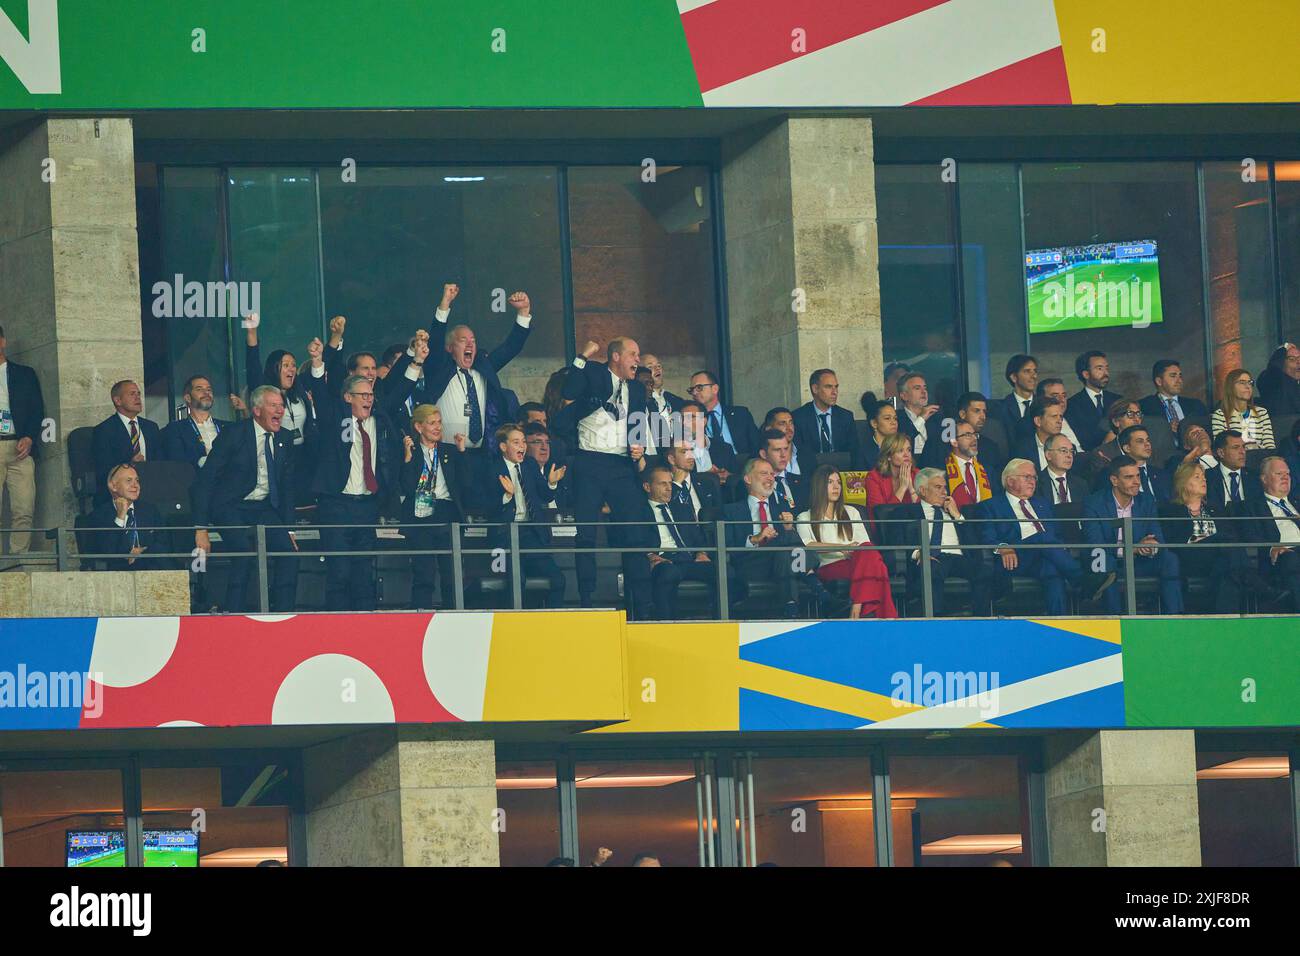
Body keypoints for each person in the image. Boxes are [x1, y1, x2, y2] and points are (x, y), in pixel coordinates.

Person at [192, 386, 299, 612]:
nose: (279, 410)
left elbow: (288, 487)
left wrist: (289, 528)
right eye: (273, 405)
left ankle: (284, 614)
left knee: (289, 554)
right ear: (257, 410)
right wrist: (200, 527)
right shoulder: (234, 434)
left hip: (262, 507)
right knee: (244, 554)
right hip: (229, 505)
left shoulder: (285, 438)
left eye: (281, 405)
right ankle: (235, 613)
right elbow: (206, 480)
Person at [562, 337, 652, 607]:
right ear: (615, 357)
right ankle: (587, 598)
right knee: (586, 532)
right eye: (632, 355)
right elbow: (568, 389)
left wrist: (639, 450)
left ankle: (642, 601)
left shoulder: (636, 389)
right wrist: (583, 356)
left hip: (622, 466)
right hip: (590, 462)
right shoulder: (592, 373)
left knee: (635, 533)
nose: (638, 360)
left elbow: (638, 424)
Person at [312, 373, 400, 611]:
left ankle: (365, 627)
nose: (368, 399)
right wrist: (319, 364)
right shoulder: (336, 419)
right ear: (347, 397)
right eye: (363, 395)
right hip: (336, 506)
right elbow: (320, 397)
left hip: (367, 506)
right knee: (339, 571)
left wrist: (415, 360)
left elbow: (401, 391)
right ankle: (337, 626)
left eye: (371, 395)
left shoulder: (379, 420)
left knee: (364, 571)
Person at [416, 284, 534, 453]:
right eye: (463, 340)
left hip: (481, 453)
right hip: (447, 452)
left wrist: (523, 312)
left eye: (473, 340)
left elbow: (510, 348)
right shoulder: (439, 370)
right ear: (450, 348)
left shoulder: (483, 368)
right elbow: (435, 343)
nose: (470, 343)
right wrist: (445, 304)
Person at [980, 459, 1094, 616]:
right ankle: (1081, 580)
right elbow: (987, 536)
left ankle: (1059, 624)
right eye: (1027, 477)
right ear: (1010, 480)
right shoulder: (991, 506)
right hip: (1014, 558)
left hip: (1044, 558)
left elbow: (1057, 535)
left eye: (1034, 477)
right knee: (1041, 537)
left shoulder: (1042, 504)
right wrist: (1003, 547)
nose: (1032, 481)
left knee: (1052, 572)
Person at [1081, 456, 1183, 614]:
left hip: (1138, 563)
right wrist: (1132, 548)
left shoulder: (1146, 501)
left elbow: (1158, 538)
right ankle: (1116, 620)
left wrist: (1151, 546)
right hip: (1107, 562)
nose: (1136, 482)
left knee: (1169, 559)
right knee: (1103, 561)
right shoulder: (1094, 503)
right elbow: (1096, 546)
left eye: (1137, 476)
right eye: (1129, 477)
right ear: (1114, 480)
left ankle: (1176, 617)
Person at [721, 457, 819, 618]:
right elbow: (727, 546)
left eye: (772, 474)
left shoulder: (782, 508)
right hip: (751, 564)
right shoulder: (731, 510)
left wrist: (788, 528)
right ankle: (813, 580)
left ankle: (791, 606)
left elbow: (794, 545)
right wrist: (755, 539)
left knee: (784, 548)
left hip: (780, 564)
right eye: (764, 473)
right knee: (785, 547)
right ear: (748, 479)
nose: (770, 478)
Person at [796, 464, 896, 619]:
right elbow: (808, 546)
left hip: (856, 562)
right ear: (819, 485)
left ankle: (857, 604)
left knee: (869, 553)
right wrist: (842, 547)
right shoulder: (805, 517)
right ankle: (883, 616)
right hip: (830, 566)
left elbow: (865, 545)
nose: (836, 487)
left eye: (838, 482)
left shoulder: (852, 512)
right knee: (879, 569)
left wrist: (852, 550)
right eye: (830, 482)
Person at [484, 423, 567, 608]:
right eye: (516, 442)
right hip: (505, 536)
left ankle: (554, 626)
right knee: (516, 582)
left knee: (558, 580)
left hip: (531, 534)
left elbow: (545, 495)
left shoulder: (529, 464)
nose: (522, 446)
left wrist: (552, 484)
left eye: (523, 442)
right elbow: (486, 507)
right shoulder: (491, 468)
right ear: (503, 447)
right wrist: (507, 496)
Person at [894, 467, 994, 616]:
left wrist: (958, 516)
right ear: (922, 490)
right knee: (932, 570)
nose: (944, 492)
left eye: (945, 487)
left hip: (959, 559)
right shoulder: (905, 512)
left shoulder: (956, 512)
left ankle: (981, 620)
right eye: (938, 487)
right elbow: (897, 540)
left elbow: (974, 542)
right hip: (930, 558)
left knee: (985, 571)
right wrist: (918, 554)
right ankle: (936, 621)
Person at [399, 405, 471, 610]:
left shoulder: (449, 450)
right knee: (424, 573)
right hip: (421, 515)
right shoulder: (410, 451)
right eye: (432, 423)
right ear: (419, 427)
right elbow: (406, 486)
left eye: (439, 422)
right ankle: (420, 617)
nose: (438, 427)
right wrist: (407, 458)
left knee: (452, 574)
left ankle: (455, 616)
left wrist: (462, 451)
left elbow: (466, 484)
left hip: (447, 513)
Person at [624, 464, 716, 620]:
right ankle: (668, 624)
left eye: (670, 483)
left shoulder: (682, 509)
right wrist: (650, 556)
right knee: (668, 573)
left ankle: (718, 619)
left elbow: (699, 537)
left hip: (688, 559)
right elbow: (633, 540)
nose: (669, 488)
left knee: (724, 572)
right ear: (647, 486)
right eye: (663, 484)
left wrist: (701, 553)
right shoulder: (637, 512)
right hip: (663, 560)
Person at [1159, 461, 1240, 613]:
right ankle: (1254, 581)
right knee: (1223, 542)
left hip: (1217, 559)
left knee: (1226, 565)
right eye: (1197, 477)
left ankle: (1223, 616)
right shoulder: (1171, 511)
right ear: (1184, 483)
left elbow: (1232, 536)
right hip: (1190, 557)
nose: (1204, 480)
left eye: (1203, 477)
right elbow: (1171, 541)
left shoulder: (1215, 509)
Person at [316, 315, 424, 423]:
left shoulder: (379, 390)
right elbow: (334, 366)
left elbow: (396, 374)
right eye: (365, 368)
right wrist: (337, 336)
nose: (371, 373)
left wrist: (413, 351)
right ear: (351, 372)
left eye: (373, 368)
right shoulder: (340, 392)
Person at [0, 324, 43, 562]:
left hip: (20, 446)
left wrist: (29, 436)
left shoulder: (24, 374)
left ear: (3, 341)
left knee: (24, 508)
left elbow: (37, 409)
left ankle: (18, 560)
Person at [1238, 456, 1300, 611]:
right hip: (1283, 554)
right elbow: (1249, 535)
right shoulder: (1251, 506)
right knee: (1291, 559)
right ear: (1264, 479)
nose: (1285, 477)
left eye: (1287, 474)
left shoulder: (1297, 502)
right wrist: (1271, 549)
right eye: (1279, 474)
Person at [85, 464, 170, 571]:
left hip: (149, 568)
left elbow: (163, 544)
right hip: (116, 573)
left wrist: (142, 552)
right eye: (129, 480)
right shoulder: (98, 516)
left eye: (137, 480)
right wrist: (120, 517)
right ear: (113, 486)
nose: (135, 485)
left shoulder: (150, 511)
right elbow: (106, 551)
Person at [92, 380, 162, 505]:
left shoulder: (151, 427)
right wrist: (129, 464)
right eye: (132, 394)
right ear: (118, 401)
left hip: (151, 490)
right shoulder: (104, 430)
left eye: (139, 394)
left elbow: (160, 461)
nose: (138, 397)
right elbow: (103, 469)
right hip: (119, 494)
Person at [686, 370, 759, 478]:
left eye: (699, 388)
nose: (694, 393)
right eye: (691, 390)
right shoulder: (691, 420)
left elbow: (756, 446)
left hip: (745, 471)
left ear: (715, 389)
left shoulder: (741, 414)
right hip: (711, 472)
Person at [792, 369, 861, 468]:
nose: (835, 392)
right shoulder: (798, 417)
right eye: (828, 387)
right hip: (810, 474)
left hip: (841, 473)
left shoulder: (846, 416)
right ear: (815, 389)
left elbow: (855, 453)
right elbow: (799, 455)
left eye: (836, 387)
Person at [161, 375, 232, 468]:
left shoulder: (228, 427)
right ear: (188, 398)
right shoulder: (176, 429)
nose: (206, 393)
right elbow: (178, 464)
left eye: (209, 389)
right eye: (199, 389)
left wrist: (244, 411)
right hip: (198, 479)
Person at [1078, 399, 1145, 485]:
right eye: (1130, 414)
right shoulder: (1102, 455)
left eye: (1138, 414)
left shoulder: (1147, 449)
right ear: (1116, 422)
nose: (1137, 419)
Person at [1066, 350, 1121, 451]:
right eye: (1099, 368)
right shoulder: (1072, 405)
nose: (1106, 373)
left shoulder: (1118, 400)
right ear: (1086, 374)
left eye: (1107, 368)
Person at [864, 434, 918, 531]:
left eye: (909, 450)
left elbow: (926, 513)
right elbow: (882, 517)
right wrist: (902, 488)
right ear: (888, 456)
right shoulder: (873, 478)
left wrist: (911, 490)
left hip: (914, 530)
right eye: (900, 451)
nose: (906, 454)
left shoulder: (917, 474)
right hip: (885, 532)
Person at [1211, 368, 1275, 450]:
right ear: (1230, 387)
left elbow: (1270, 446)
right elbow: (1222, 448)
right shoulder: (1220, 415)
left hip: (1260, 458)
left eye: (1250, 382)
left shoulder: (1262, 412)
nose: (1247, 386)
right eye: (1242, 382)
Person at [1139, 359, 1209, 431]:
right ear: (1159, 381)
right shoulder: (1144, 407)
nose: (1179, 381)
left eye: (1180, 376)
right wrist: (1166, 429)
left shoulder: (1196, 405)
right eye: (1173, 376)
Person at [1204, 430, 1260, 512]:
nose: (1243, 452)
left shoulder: (1255, 477)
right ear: (1221, 453)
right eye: (1236, 447)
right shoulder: (1207, 477)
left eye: (1243, 447)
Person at [664, 442, 721, 522]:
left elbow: (720, 516)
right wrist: (676, 484)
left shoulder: (707, 482)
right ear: (672, 459)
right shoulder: (663, 485)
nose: (691, 456)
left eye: (691, 451)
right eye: (684, 452)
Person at [943, 420, 993, 509]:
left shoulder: (987, 470)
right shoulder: (943, 469)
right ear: (954, 441)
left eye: (975, 435)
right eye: (968, 435)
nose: (974, 438)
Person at [1115, 425, 1171, 503]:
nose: (1147, 444)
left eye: (1148, 440)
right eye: (1140, 441)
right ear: (1127, 448)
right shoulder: (1117, 475)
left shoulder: (1162, 474)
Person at [955, 392, 1005, 479]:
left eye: (984, 412)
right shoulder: (944, 445)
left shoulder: (991, 447)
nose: (983, 416)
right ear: (962, 414)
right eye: (977, 411)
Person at [523, 422, 572, 512]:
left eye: (547, 442)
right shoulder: (522, 475)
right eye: (537, 442)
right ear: (524, 446)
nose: (544, 447)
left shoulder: (558, 472)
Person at [895, 372, 941, 464]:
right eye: (917, 388)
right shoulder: (896, 418)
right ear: (904, 396)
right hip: (905, 469)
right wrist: (921, 419)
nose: (924, 392)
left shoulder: (936, 417)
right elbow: (900, 442)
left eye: (925, 388)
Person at [1011, 398, 1069, 472]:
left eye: (1061, 416)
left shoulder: (1068, 447)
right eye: (1054, 416)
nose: (1059, 421)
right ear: (1038, 421)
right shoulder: (1021, 451)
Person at [757, 428, 806, 514]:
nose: (783, 455)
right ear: (763, 454)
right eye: (777, 450)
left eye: (786, 449)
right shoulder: (755, 485)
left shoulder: (802, 482)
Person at [997, 354, 1039, 435]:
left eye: (1035, 371)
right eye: (1027, 371)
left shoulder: (1044, 404)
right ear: (1014, 377)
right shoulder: (1001, 409)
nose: (1034, 376)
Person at [1040, 433, 1086, 506]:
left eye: (1071, 451)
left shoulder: (1081, 484)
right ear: (1048, 455)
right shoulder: (1037, 483)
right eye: (1063, 451)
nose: (1069, 455)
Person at [1257, 342, 1300, 416]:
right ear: (1281, 363)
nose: (1298, 362)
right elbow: (1274, 368)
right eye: (1292, 359)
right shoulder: (1274, 380)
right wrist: (1284, 348)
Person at [859, 394, 899, 474]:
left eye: (895, 418)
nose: (893, 422)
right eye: (887, 418)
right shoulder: (862, 451)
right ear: (874, 423)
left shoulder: (902, 446)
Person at [640, 354, 686, 420]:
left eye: (659, 366)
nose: (657, 368)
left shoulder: (677, 401)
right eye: (650, 367)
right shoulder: (638, 400)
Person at [762, 407, 805, 476]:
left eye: (791, 423)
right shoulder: (757, 460)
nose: (789, 428)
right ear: (769, 429)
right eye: (782, 423)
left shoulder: (805, 453)